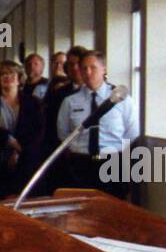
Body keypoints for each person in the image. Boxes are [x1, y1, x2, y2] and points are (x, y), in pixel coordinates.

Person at [57, 49, 139, 197]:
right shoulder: (70, 101)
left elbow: (132, 132)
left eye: (93, 67)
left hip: (112, 162)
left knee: (113, 210)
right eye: (84, 68)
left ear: (104, 69)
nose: (88, 72)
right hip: (81, 164)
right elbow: (63, 133)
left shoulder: (121, 98)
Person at [0, 60, 45, 201]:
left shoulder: (33, 102)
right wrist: (8, 140)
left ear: (19, 78)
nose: (8, 77)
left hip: (26, 160)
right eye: (3, 74)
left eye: (12, 73)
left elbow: (37, 132)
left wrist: (19, 150)